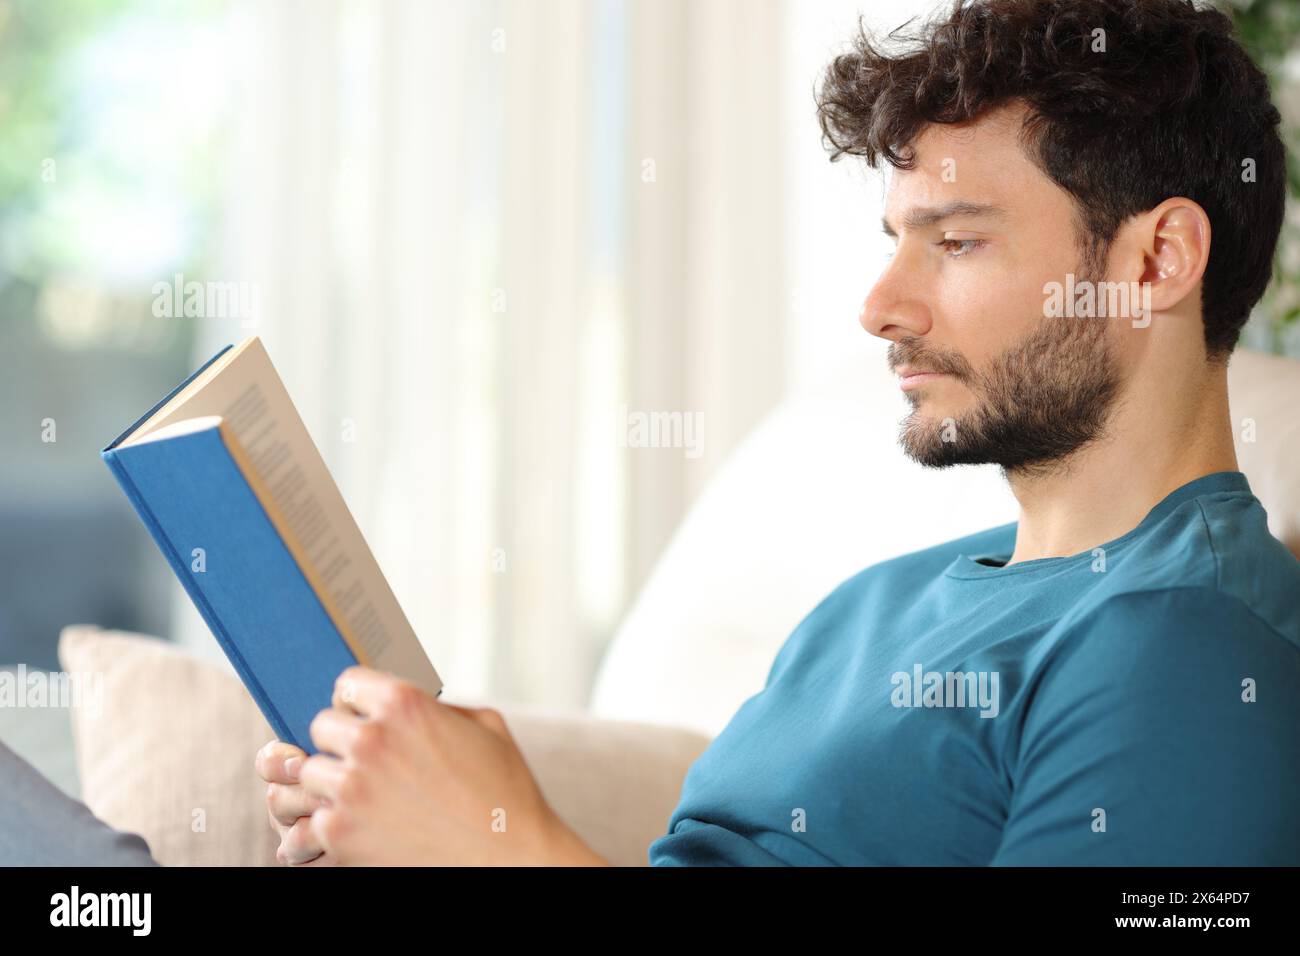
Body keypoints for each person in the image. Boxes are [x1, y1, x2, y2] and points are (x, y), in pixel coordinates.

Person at [3, 0, 1297, 866]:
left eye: (956, 243)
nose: (880, 306)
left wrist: (500, 838)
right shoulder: (874, 607)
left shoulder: (1188, 647)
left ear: (1158, 259)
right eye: (891, 242)